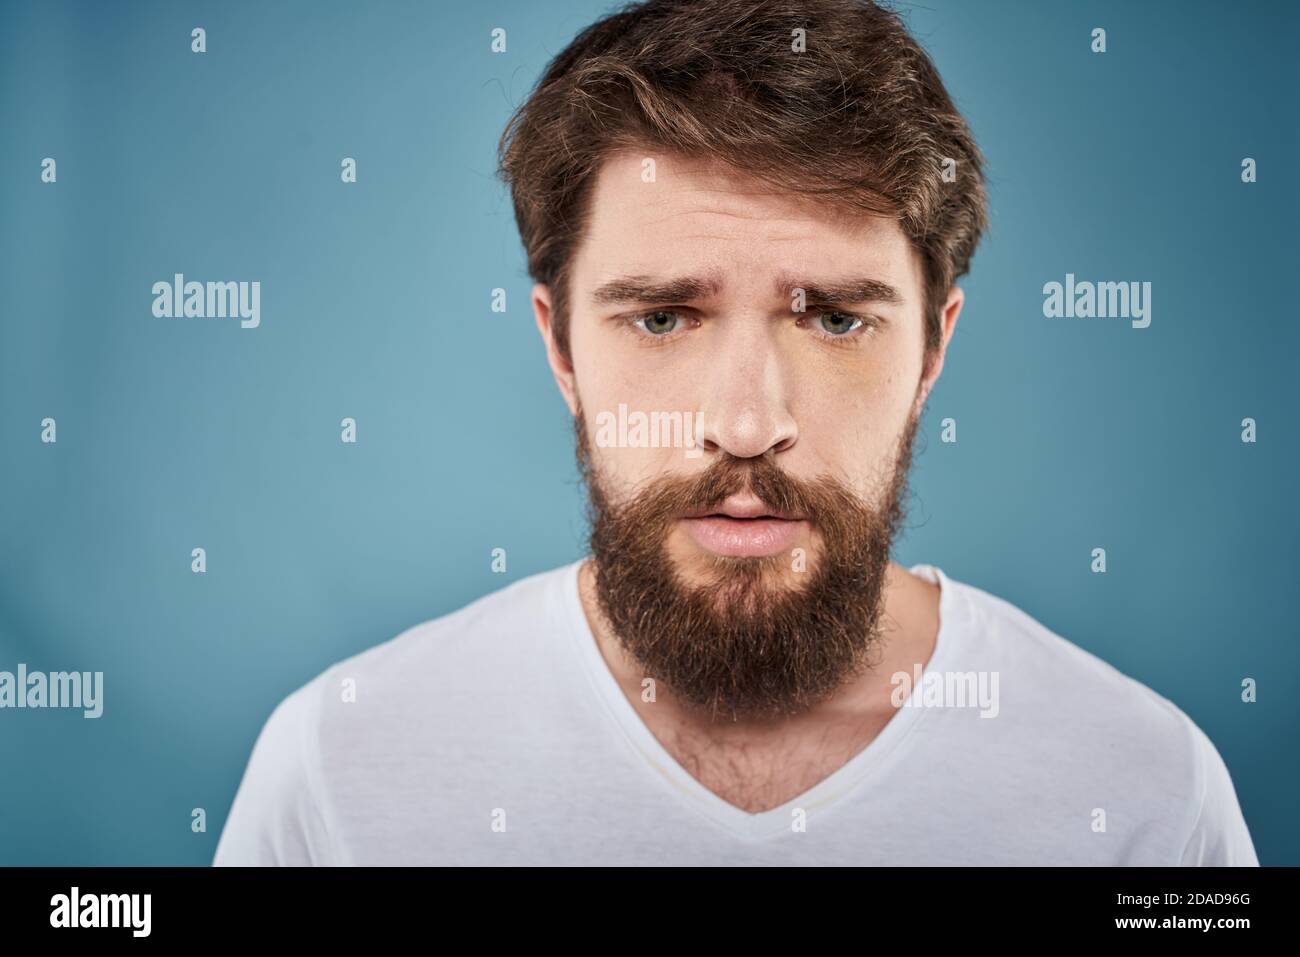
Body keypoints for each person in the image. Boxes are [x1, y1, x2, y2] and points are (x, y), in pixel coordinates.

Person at [214, 0, 1257, 865]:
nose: (748, 426)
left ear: (932, 349)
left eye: (835, 318)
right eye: (662, 317)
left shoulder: (1143, 797)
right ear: (561, 349)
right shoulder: (341, 773)